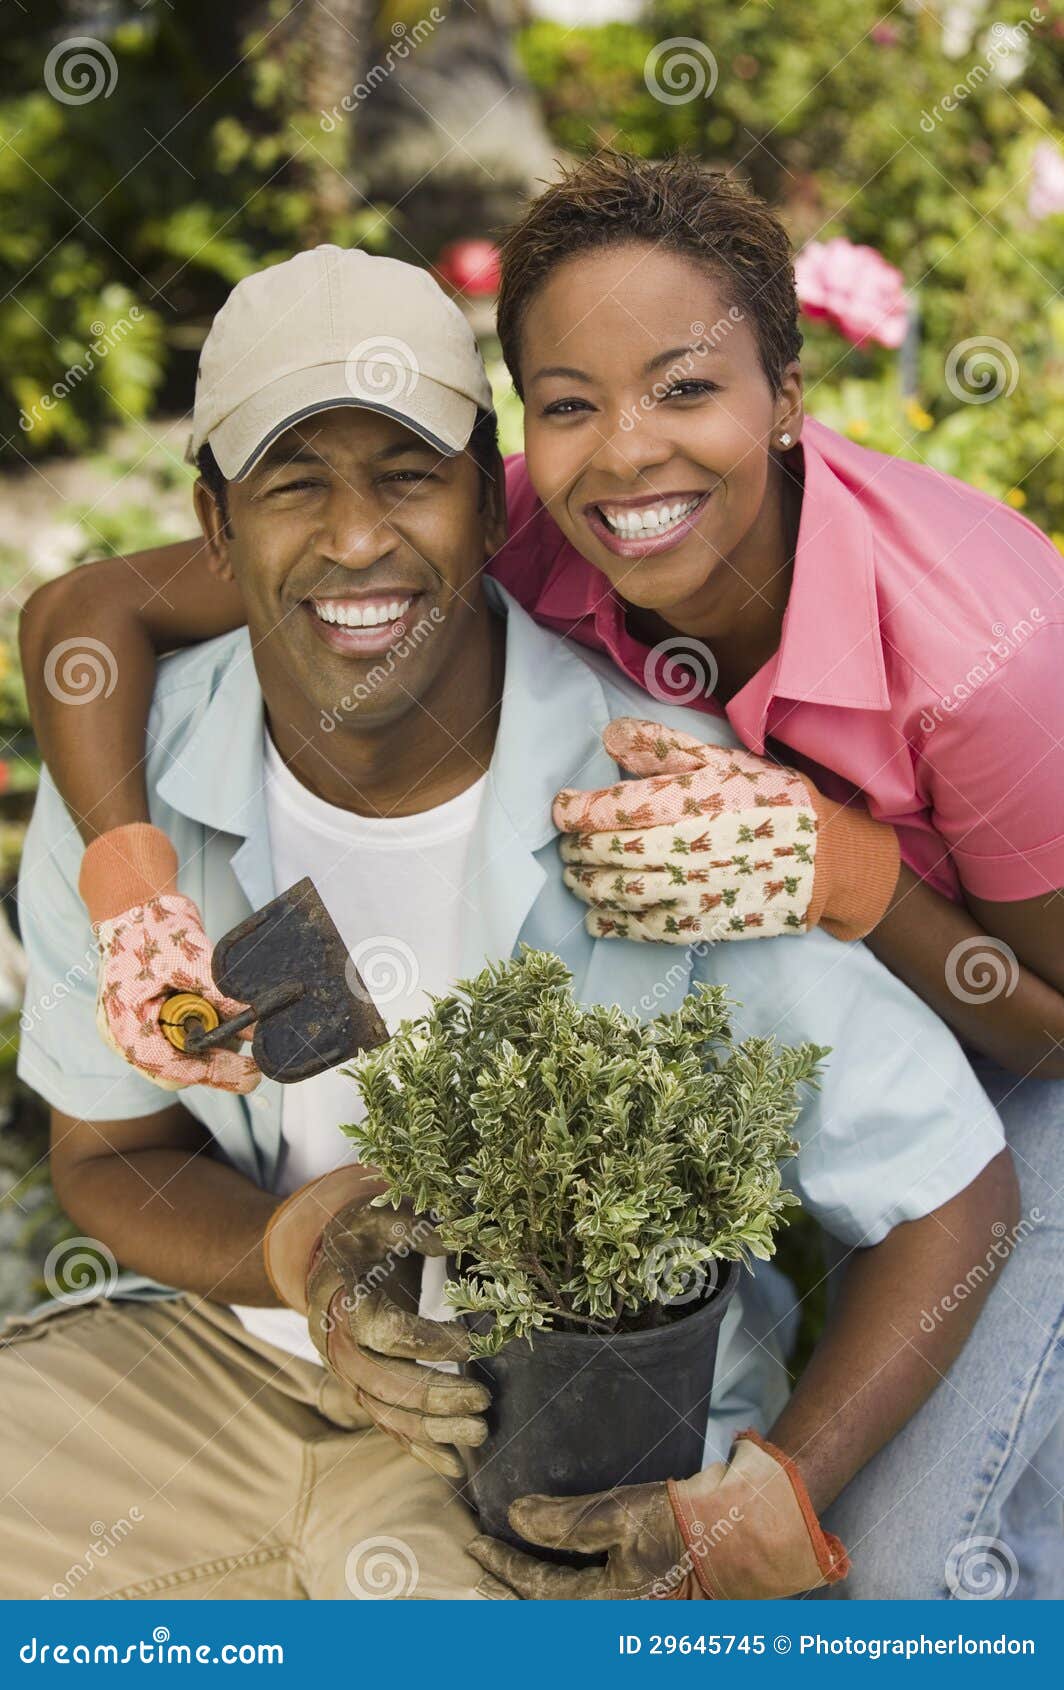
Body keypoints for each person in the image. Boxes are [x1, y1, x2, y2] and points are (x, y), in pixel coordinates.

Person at [23, 152, 1062, 1598]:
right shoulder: (158, 751)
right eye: (573, 406)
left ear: (475, 497)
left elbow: (977, 1142)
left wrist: (854, 875)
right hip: (228, 1381)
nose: (357, 535)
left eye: (404, 476)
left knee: (911, 1571)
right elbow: (108, 1144)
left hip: (985, 1063)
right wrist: (285, 1234)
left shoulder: (754, 781)